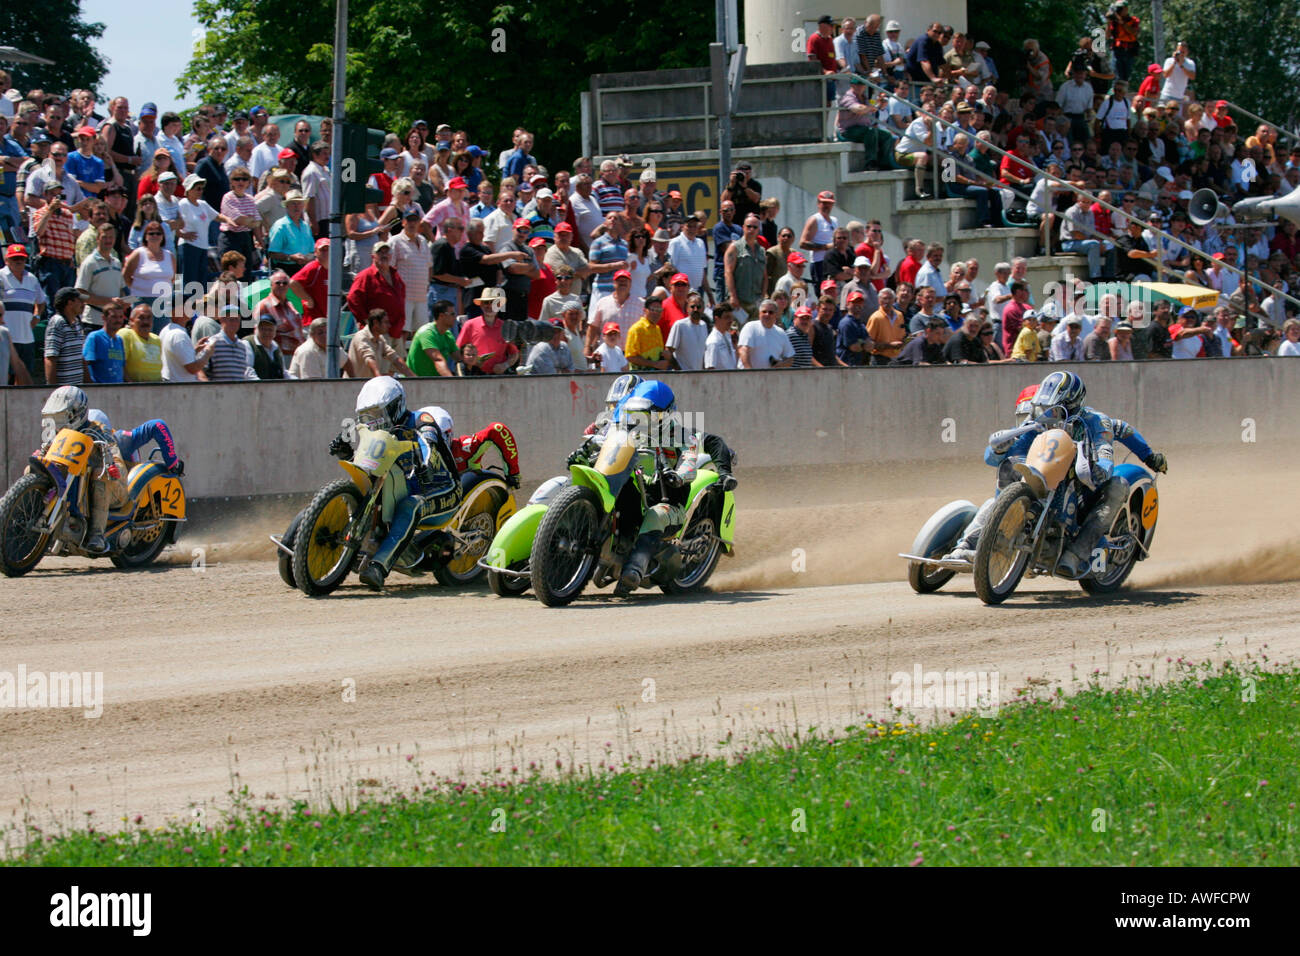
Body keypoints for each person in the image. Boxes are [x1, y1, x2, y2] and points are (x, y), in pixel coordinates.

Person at [943, 370, 1166, 566]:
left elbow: (1117, 436)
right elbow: (993, 458)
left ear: (1073, 404)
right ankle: (966, 544)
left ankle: (1077, 553)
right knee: (1003, 479)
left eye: (1056, 409)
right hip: (1042, 476)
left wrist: (1144, 457)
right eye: (1045, 407)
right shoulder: (1036, 418)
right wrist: (1000, 451)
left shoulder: (1096, 421)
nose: (1049, 414)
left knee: (1118, 486)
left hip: (1084, 484)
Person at [330, 377, 462, 590]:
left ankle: (379, 567)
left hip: (441, 487)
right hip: (410, 484)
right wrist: (347, 452)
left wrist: (426, 457)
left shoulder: (421, 419)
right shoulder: (378, 432)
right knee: (370, 489)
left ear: (395, 406)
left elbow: (428, 439)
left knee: (411, 505)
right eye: (368, 416)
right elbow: (367, 462)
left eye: (378, 414)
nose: (373, 421)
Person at [613, 380, 735, 593]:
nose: (643, 421)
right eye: (638, 415)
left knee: (654, 515)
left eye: (651, 416)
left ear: (666, 415)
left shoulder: (683, 436)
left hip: (669, 504)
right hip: (640, 496)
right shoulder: (630, 432)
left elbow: (690, 460)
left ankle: (634, 570)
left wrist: (678, 476)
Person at [38, 386, 125, 554]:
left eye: (62, 417)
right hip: (75, 480)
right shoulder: (57, 435)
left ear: (76, 414)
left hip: (114, 485)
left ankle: (97, 534)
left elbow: (113, 451)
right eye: (55, 418)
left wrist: (113, 465)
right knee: (34, 467)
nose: (58, 423)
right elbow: (47, 451)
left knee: (100, 475)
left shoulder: (97, 430)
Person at [348, 307, 413, 378]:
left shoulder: (380, 339)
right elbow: (369, 359)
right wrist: (379, 380)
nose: (389, 326)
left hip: (369, 384)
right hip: (353, 385)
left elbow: (394, 358)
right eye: (386, 322)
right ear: (375, 323)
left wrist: (414, 379)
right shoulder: (361, 337)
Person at [44, 287, 89, 384]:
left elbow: (81, 357)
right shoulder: (57, 322)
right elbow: (50, 358)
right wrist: (53, 390)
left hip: (78, 389)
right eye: (80, 301)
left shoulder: (77, 323)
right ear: (70, 303)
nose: (83, 304)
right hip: (63, 390)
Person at [738, 299, 795, 368]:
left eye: (770, 312)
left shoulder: (781, 333)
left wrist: (781, 364)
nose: (767, 314)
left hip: (770, 377)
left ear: (776, 315)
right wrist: (750, 372)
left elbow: (791, 358)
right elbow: (743, 351)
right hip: (749, 376)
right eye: (764, 312)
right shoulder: (750, 327)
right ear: (759, 314)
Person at [82, 297, 127, 383]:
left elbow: (122, 368)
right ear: (104, 318)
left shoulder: (119, 340)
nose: (118, 320)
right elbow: (85, 365)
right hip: (100, 390)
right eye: (114, 317)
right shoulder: (95, 337)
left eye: (121, 317)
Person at [118, 301, 164, 381]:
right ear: (131, 321)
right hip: (135, 389)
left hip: (157, 388)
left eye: (149, 318)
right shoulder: (126, 334)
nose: (145, 322)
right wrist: (131, 386)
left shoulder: (156, 339)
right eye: (141, 318)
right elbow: (119, 365)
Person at [704, 302, 738, 369]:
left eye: (731, 317)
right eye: (727, 317)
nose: (731, 320)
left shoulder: (728, 336)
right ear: (717, 319)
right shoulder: (713, 341)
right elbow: (710, 368)